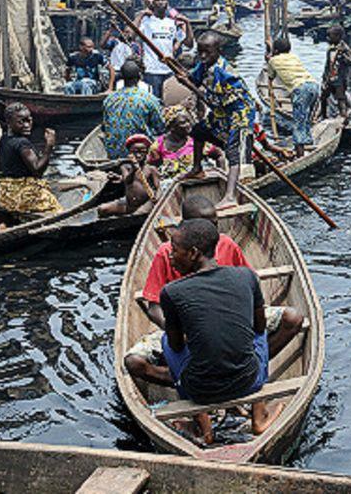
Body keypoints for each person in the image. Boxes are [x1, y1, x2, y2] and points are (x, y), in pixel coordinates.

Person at [123, 218, 287, 444]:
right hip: (251, 381)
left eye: (174, 251)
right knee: (257, 333)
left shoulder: (172, 292)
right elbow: (259, 328)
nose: (170, 256)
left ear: (193, 253)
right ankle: (260, 415)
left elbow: (177, 346)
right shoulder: (246, 276)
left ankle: (203, 427)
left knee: (167, 342)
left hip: (198, 391)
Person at [182, 31, 258, 208]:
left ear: (218, 51)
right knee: (197, 131)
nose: (202, 56)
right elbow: (193, 78)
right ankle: (197, 169)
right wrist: (181, 73)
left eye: (207, 52)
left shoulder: (226, 73)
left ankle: (230, 196)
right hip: (221, 112)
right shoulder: (204, 64)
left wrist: (187, 84)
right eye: (199, 51)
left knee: (233, 152)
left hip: (240, 113)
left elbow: (214, 100)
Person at [0, 102, 60, 215]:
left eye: (29, 120)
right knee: (56, 209)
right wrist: (49, 146)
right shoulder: (22, 143)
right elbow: (37, 171)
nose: (27, 125)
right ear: (9, 123)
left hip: (6, 192)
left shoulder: (4, 138)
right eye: (21, 122)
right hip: (22, 195)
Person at [266, 37, 320, 158]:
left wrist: (269, 57)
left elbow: (270, 76)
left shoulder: (273, 61)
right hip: (314, 86)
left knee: (298, 122)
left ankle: (300, 154)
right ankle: (308, 142)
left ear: (275, 50)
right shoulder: (293, 57)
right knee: (305, 119)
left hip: (300, 89)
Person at [102, 61, 165, 160]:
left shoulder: (109, 99)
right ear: (139, 76)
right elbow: (161, 127)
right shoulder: (149, 99)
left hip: (114, 153)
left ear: (122, 77)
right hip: (141, 152)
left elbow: (104, 127)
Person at [136, 0, 193, 99]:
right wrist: (141, 15)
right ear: (153, 3)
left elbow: (189, 44)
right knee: (154, 101)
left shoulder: (172, 22)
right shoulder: (146, 22)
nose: (161, 3)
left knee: (169, 102)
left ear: (167, 3)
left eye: (163, 0)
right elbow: (130, 34)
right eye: (158, 0)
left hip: (169, 70)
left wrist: (188, 24)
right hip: (151, 71)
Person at [148, 105, 226, 181]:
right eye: (183, 123)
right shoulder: (158, 146)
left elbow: (219, 156)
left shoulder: (196, 140)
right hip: (171, 187)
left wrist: (222, 178)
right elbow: (151, 166)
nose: (188, 125)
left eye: (188, 121)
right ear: (172, 127)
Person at [98, 134, 160, 217]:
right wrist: (134, 169)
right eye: (135, 152)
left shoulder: (151, 169)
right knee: (102, 209)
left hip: (145, 203)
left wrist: (156, 201)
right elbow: (127, 180)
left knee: (136, 216)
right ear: (130, 152)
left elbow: (158, 187)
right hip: (128, 204)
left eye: (142, 152)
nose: (138, 155)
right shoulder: (125, 167)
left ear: (147, 152)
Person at [319, 24, 351, 119]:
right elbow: (327, 65)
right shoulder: (330, 49)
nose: (328, 38)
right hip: (330, 78)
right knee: (323, 97)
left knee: (340, 99)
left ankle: (344, 118)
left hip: (340, 80)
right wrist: (324, 77)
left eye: (330, 36)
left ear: (338, 36)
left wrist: (343, 55)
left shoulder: (345, 48)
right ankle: (323, 116)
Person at [107, 25, 143, 91]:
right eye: (126, 32)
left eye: (129, 33)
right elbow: (103, 45)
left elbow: (138, 59)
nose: (127, 34)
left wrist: (133, 58)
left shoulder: (135, 46)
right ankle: (111, 90)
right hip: (115, 70)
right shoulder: (115, 42)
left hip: (128, 71)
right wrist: (110, 30)